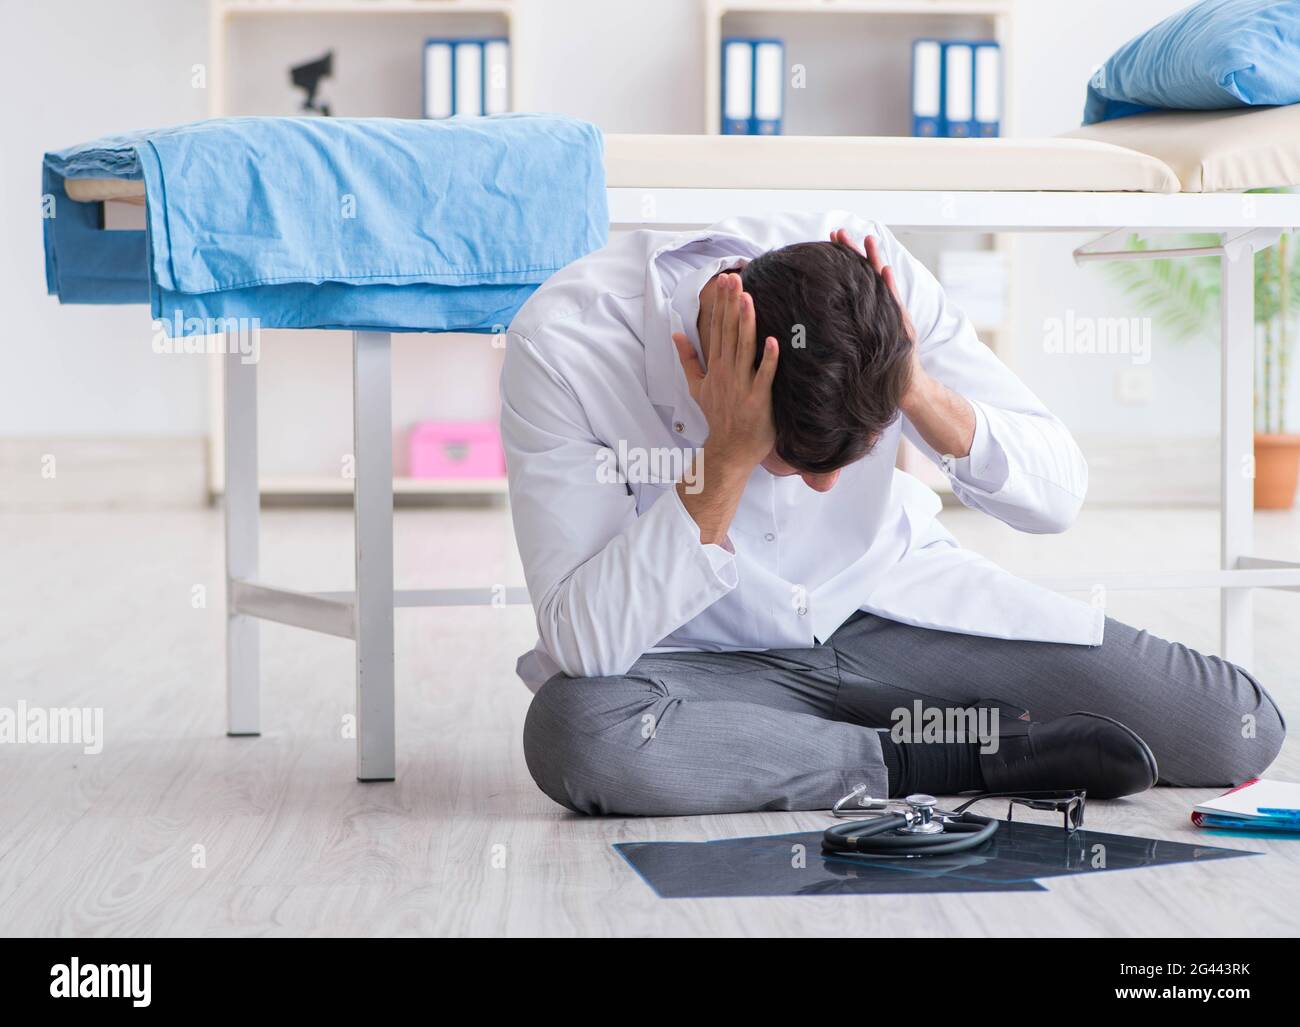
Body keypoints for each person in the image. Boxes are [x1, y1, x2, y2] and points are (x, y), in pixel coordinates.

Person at [499, 211, 1285, 816]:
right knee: (576, 731)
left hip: (890, 615)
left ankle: (887, 744)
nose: (823, 491)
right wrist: (727, 460)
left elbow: (1059, 494)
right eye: (796, 461)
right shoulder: (565, 343)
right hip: (701, 666)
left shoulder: (874, 288)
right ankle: (945, 759)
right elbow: (582, 638)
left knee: (1234, 726)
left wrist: (914, 388)